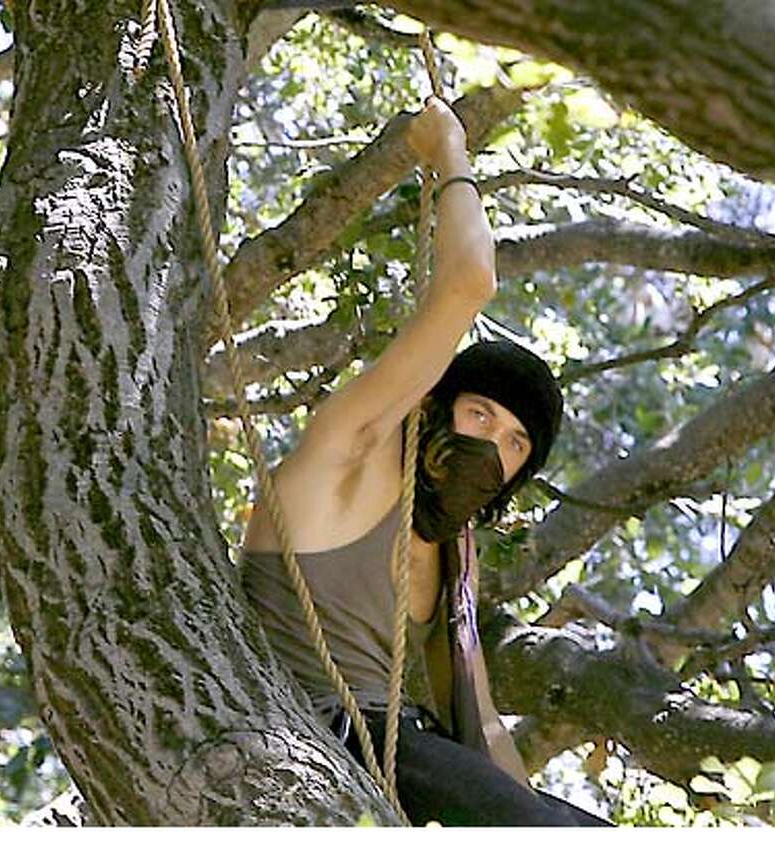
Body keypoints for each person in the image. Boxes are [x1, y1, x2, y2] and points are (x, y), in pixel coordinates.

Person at [240, 98, 608, 827]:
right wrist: (448, 151)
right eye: (479, 415)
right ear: (434, 407)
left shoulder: (455, 562)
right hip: (338, 734)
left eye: (513, 445)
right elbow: (470, 283)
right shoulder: (354, 455)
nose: (489, 447)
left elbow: (485, 735)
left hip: (424, 760)